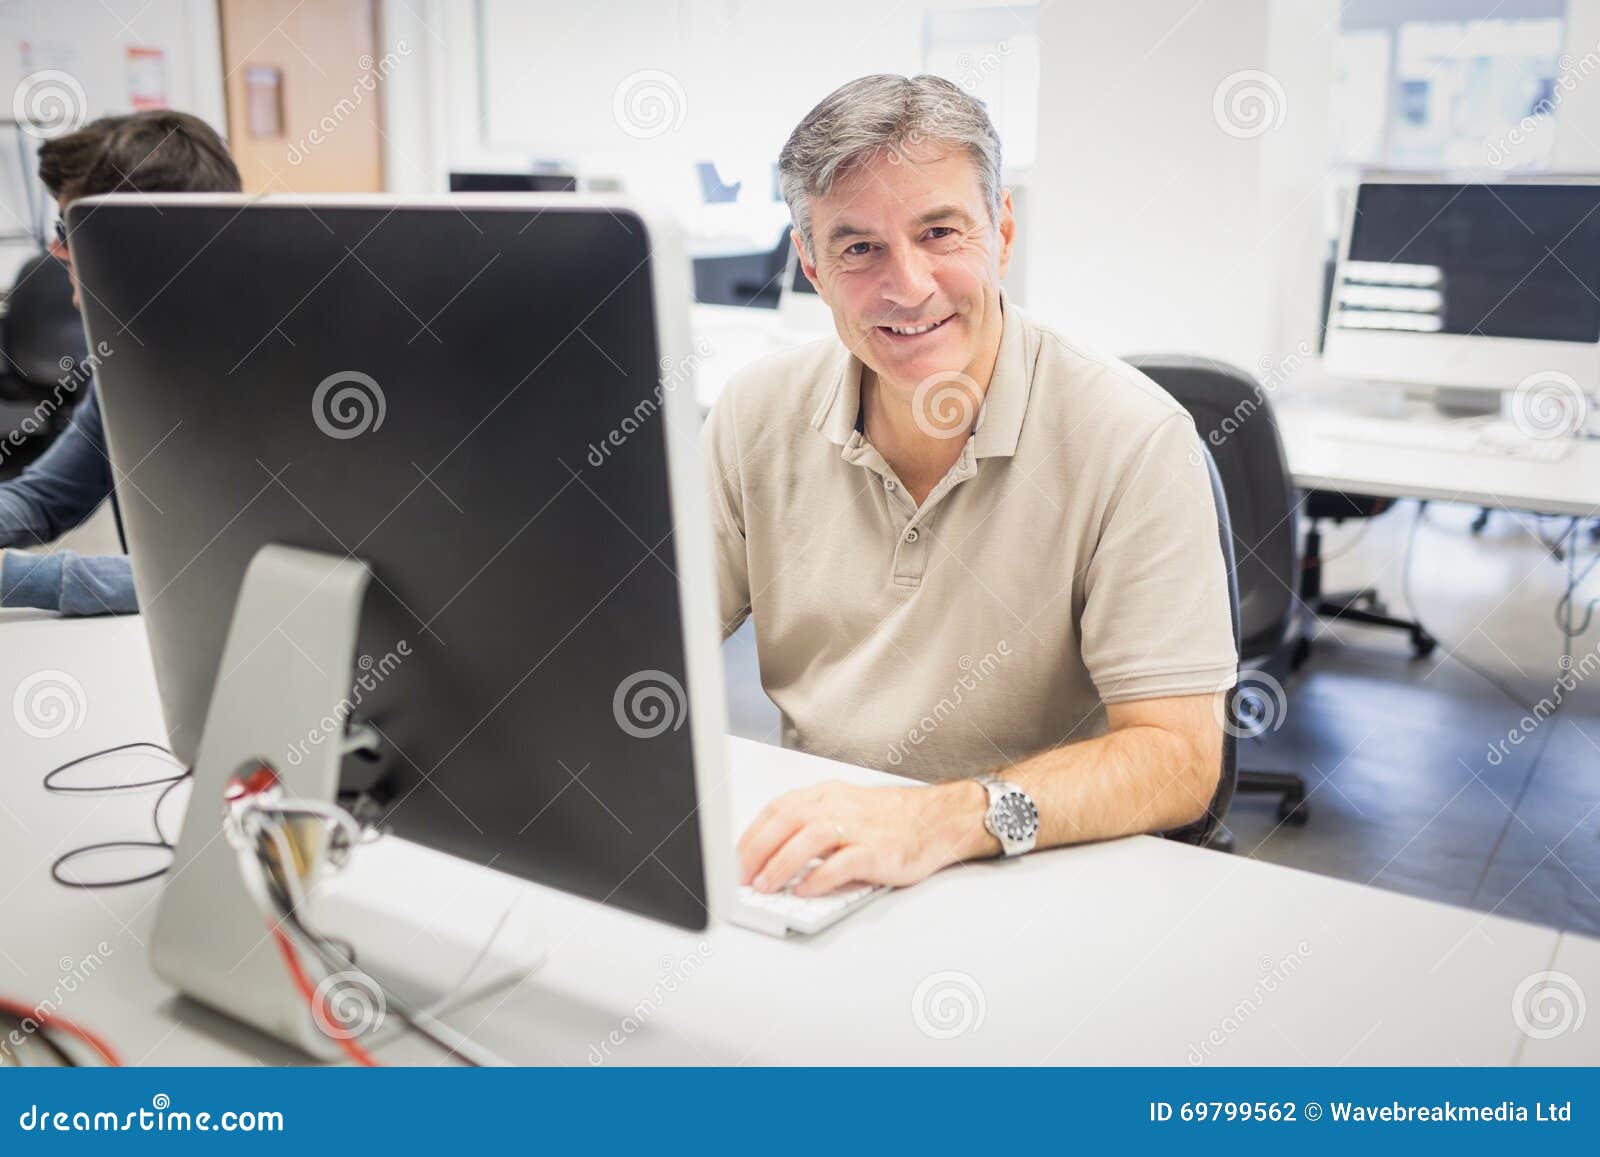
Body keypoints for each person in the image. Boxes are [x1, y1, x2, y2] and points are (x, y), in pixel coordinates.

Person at [707, 75, 1238, 897]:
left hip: (1045, 872)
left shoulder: (1134, 439)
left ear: (1003, 233)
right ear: (811, 265)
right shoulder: (755, 411)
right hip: (828, 867)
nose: (908, 284)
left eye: (939, 232)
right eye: (859, 248)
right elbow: (637, 638)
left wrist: (944, 819)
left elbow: (1179, 761)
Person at [0, 110, 241, 616]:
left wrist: (16, 578)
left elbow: (228, 572)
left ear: (142, 241)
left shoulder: (275, 369)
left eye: (70, 229)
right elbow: (43, 499)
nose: (55, 249)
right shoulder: (123, 358)